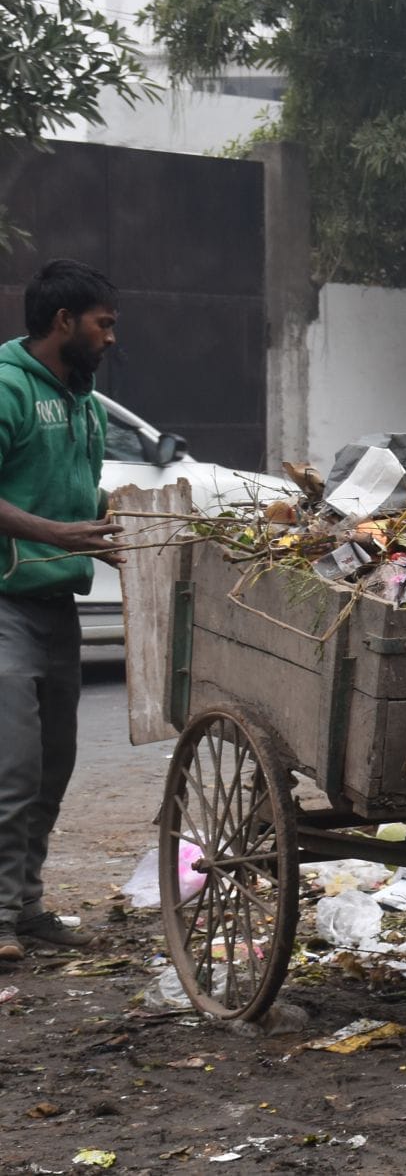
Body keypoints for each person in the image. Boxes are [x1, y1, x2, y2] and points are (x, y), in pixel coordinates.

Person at [0, 259, 122, 961]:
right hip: (5, 604)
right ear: (63, 321)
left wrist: (104, 534)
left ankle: (29, 905)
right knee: (11, 767)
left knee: (53, 763)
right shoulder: (8, 387)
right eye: (103, 324)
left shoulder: (87, 402)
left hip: (57, 605)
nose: (110, 339)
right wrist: (53, 533)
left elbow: (79, 497)